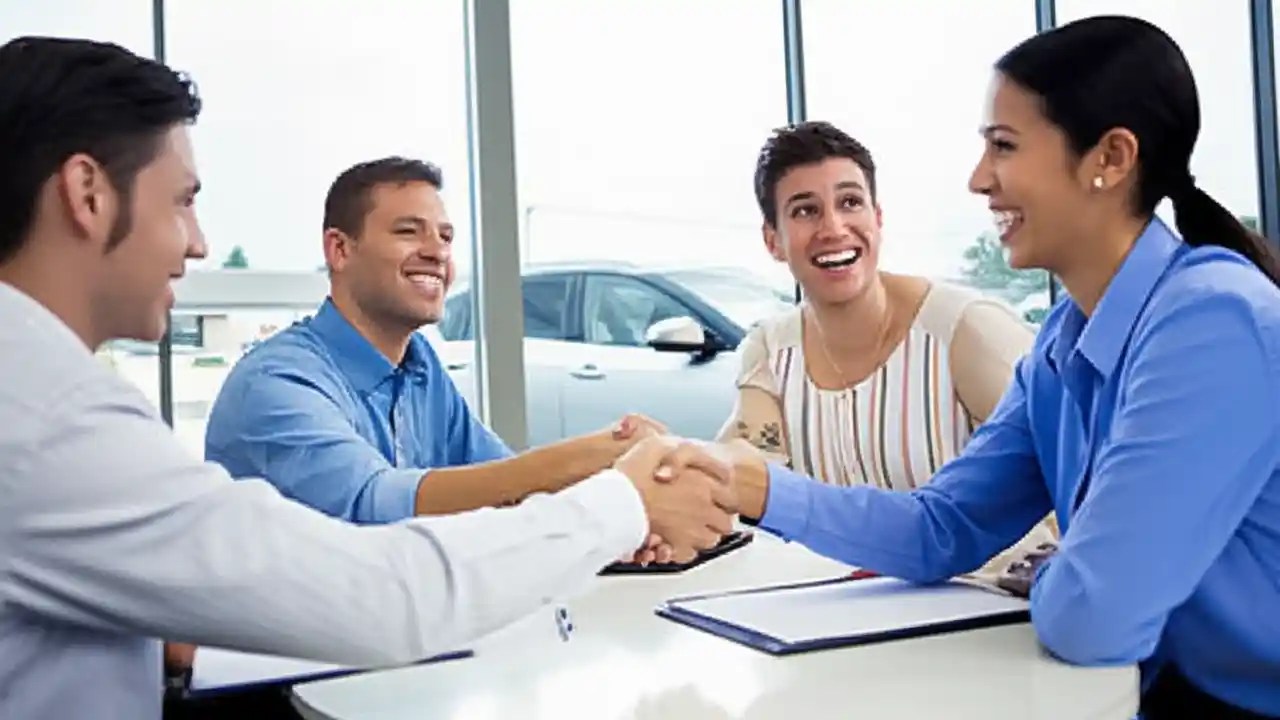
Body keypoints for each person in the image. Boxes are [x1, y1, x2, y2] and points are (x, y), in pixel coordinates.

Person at [0, 36, 736, 720]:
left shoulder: (38, 387)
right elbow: (386, 584)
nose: (199, 244)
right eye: (183, 200)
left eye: (445, 235)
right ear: (88, 193)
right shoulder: (49, 413)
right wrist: (619, 496)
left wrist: (606, 486)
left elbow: (502, 484)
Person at [718, 16, 1280, 718]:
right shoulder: (1061, 348)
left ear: (1110, 157)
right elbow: (940, 528)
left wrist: (1062, 578)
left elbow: (1093, 618)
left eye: (1003, 147)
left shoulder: (1214, 321)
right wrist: (758, 487)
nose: (979, 180)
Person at [204, 157, 668, 522]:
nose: (435, 252)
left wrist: (622, 515)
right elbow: (372, 506)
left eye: (444, 237)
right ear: (340, 249)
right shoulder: (275, 381)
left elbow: (503, 487)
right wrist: (586, 455)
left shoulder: (419, 365)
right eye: (409, 232)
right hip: (295, 640)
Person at [719, 121, 1056, 582]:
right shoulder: (770, 350)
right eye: (804, 211)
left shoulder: (965, 330)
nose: (833, 228)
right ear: (773, 240)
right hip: (851, 622)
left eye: (850, 202)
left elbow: (1066, 494)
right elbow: (746, 470)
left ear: (878, 217)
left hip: (993, 615)